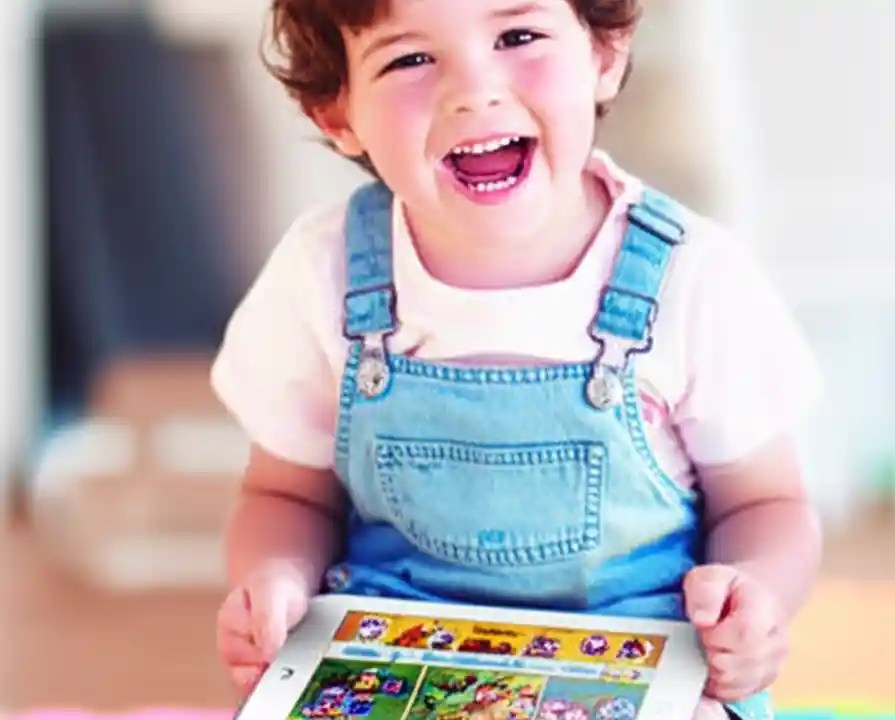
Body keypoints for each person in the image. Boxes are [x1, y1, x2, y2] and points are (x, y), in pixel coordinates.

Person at [212, 1, 823, 717]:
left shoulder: (693, 278)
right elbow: (287, 494)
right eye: (409, 59)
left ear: (605, 51)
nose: (474, 89)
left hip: (639, 661)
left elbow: (767, 503)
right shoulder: (324, 273)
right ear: (336, 112)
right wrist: (275, 581)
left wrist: (755, 595)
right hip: (396, 664)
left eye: (518, 36)